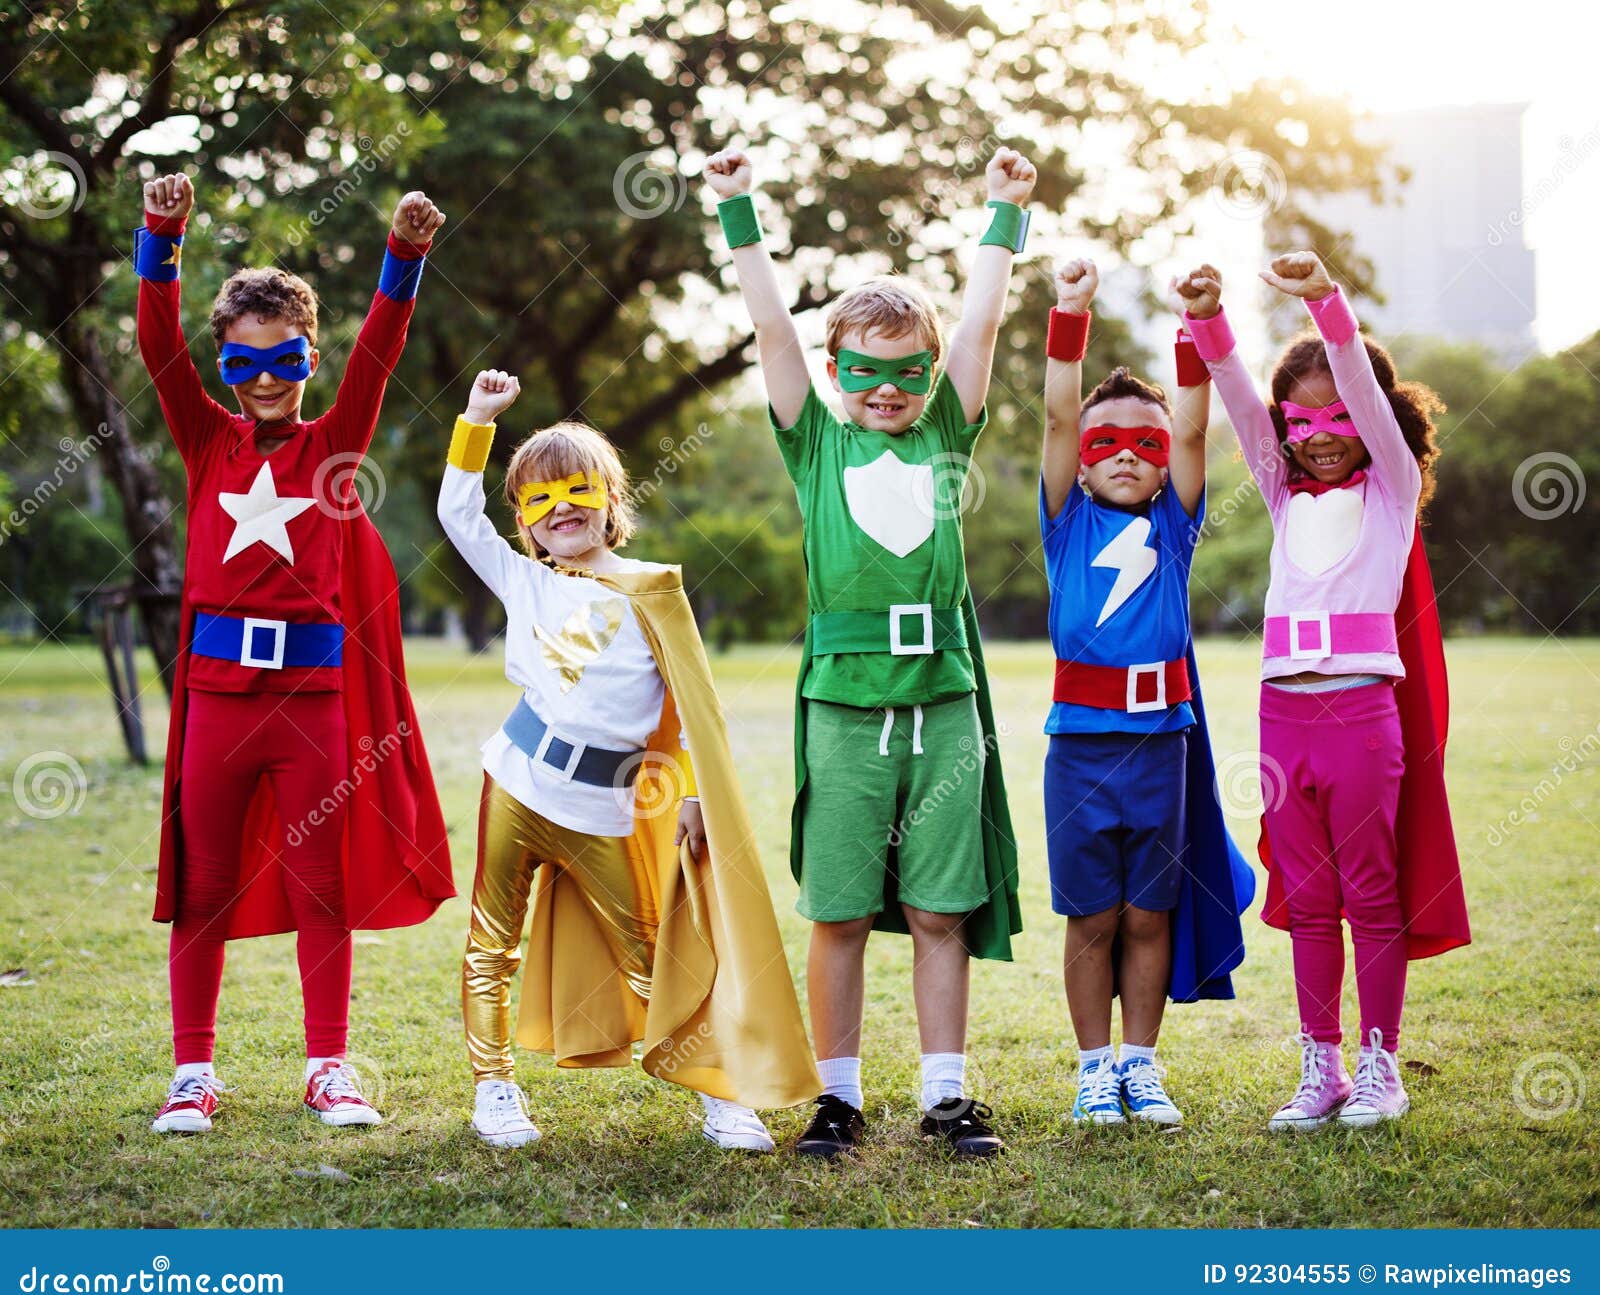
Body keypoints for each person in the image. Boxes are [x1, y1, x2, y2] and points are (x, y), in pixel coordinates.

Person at [703, 144, 1031, 1159]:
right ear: (838, 370)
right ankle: (835, 1096)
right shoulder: (816, 439)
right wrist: (737, 206)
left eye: (906, 371)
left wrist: (1004, 213)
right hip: (843, 706)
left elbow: (978, 323)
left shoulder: (945, 434)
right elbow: (766, 321)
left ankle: (945, 1092)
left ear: (927, 376)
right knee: (839, 906)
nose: (886, 389)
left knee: (940, 905)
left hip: (941, 701)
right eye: (865, 370)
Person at [137, 174, 454, 1135]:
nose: (265, 379)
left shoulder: (337, 437)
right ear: (224, 362)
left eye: (285, 360)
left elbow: (380, 353)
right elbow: (155, 347)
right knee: (201, 882)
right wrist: (163, 232)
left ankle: (328, 1065)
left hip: (312, 697)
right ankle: (193, 1071)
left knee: (323, 881)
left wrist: (404, 256)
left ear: (309, 357)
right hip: (219, 693)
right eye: (243, 362)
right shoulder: (206, 441)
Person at [438, 369, 819, 1151]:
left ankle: (715, 1089)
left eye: (577, 491)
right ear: (524, 520)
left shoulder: (652, 592)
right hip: (516, 779)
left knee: (652, 952)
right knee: (490, 943)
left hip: (605, 802)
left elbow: (686, 707)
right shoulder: (524, 580)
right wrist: (477, 419)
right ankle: (495, 1086)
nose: (562, 509)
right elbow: (455, 512)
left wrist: (692, 792)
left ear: (612, 501)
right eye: (540, 500)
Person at [1179, 252, 1470, 1130]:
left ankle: (1383, 1066)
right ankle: (1323, 1066)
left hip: (1362, 715)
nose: (1319, 431)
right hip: (1284, 715)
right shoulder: (1278, 488)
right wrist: (1208, 320)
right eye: (1300, 418)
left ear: (1374, 416)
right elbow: (1235, 396)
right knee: (1309, 899)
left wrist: (1323, 303)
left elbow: (1363, 399)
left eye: (1338, 413)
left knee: (1372, 893)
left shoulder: (1392, 488)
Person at [1040, 258, 1254, 1128]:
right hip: (1080, 744)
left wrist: (1194, 327)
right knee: (1091, 914)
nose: (1126, 453)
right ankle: (1094, 1068)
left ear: (1166, 465)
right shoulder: (1064, 520)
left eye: (1145, 442)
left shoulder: (1175, 521)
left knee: (1147, 911)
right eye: (1105, 443)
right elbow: (1058, 410)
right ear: (1080, 465)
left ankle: (1141, 1063)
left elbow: (1198, 432)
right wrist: (1069, 312)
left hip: (1162, 740)